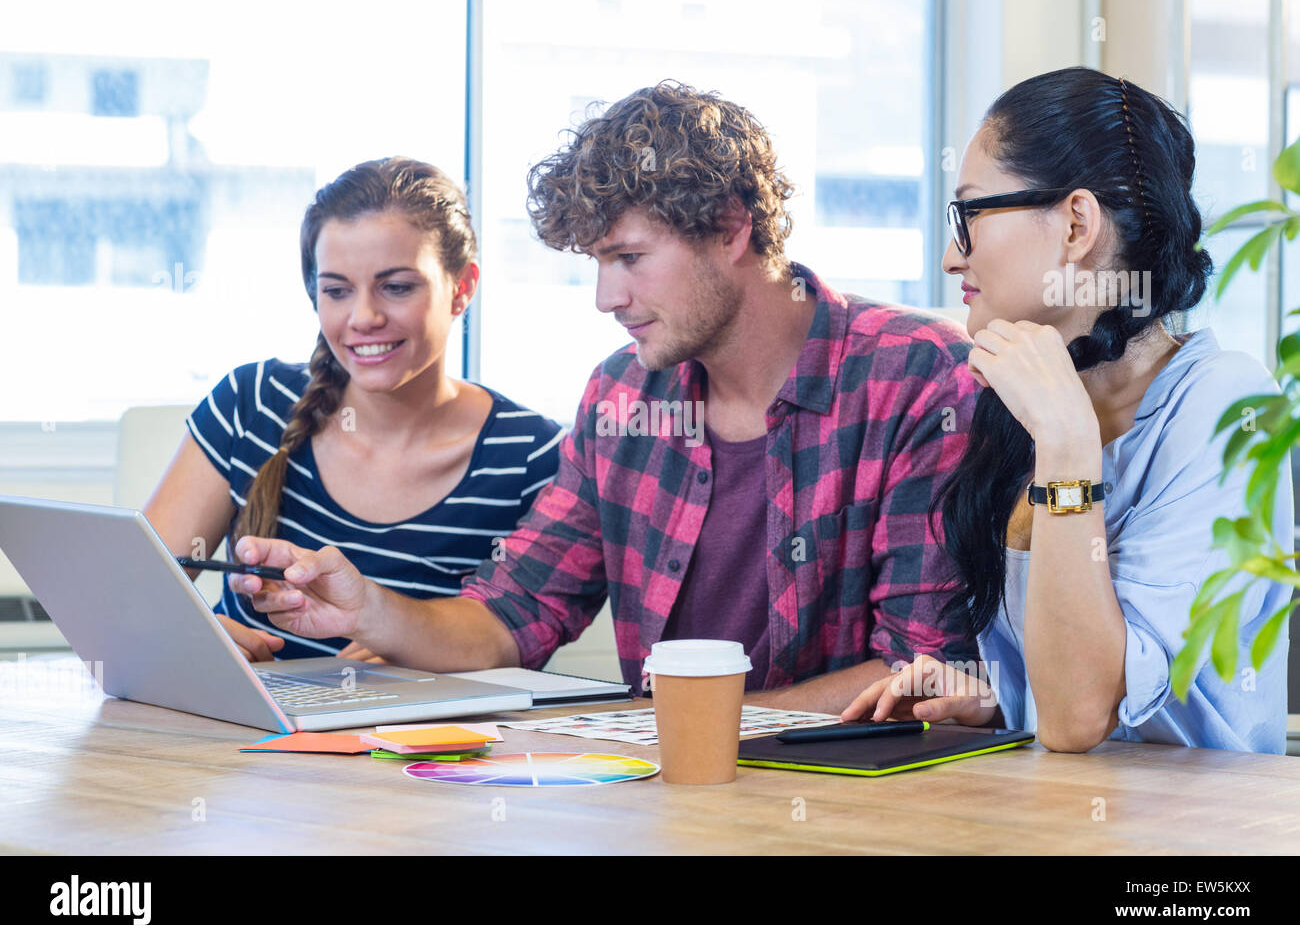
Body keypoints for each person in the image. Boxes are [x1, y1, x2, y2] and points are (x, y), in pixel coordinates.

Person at [226, 81, 981, 713]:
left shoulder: (914, 376)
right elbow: (513, 614)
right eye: (597, 262)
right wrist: (371, 611)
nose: (605, 297)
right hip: (661, 800)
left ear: (729, 229)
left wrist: (682, 728)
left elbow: (917, 670)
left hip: (851, 811)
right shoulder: (623, 395)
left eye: (628, 259)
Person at [842, 67, 1293, 753]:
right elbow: (1057, 700)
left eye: (969, 215)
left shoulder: (1224, 402)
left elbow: (1083, 715)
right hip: (1054, 817)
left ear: (1077, 223)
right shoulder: (1029, 396)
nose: (949, 257)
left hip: (1192, 835)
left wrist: (1065, 442)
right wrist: (990, 700)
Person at [144, 157, 562, 661]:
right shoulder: (254, 401)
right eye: (337, 291)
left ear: (462, 287)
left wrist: (417, 652)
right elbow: (133, 596)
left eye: (397, 286)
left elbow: (517, 633)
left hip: (419, 737)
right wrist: (190, 640)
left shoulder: (532, 458)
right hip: (239, 729)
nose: (364, 317)